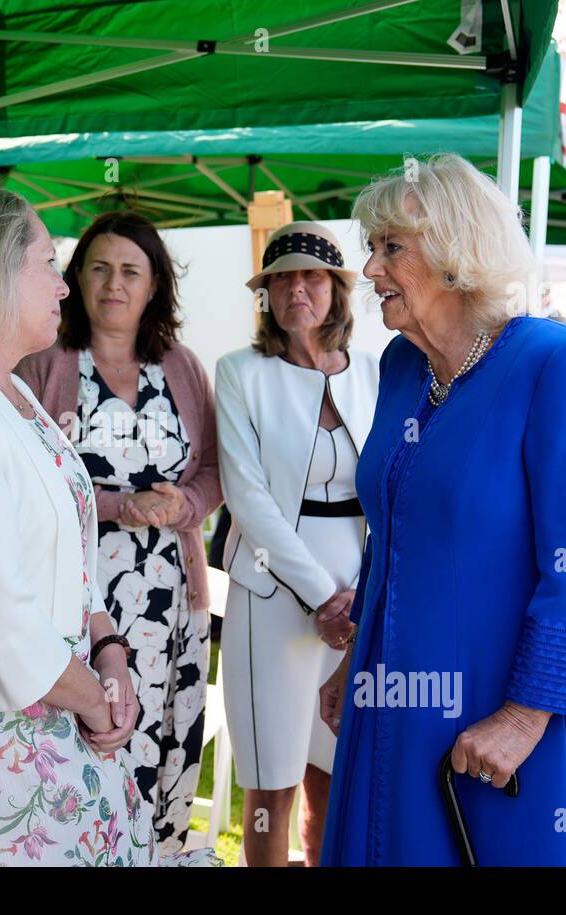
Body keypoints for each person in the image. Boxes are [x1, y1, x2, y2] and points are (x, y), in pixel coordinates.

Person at [319, 154, 566, 866]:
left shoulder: (556, 361)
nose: (371, 270)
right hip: (394, 689)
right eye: (371, 249)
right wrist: (357, 657)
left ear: (453, 255)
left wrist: (522, 716)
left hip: (497, 699)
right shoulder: (403, 366)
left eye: (391, 249)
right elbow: (394, 528)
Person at [0, 189, 219, 867]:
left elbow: (69, 549)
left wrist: (109, 644)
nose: (65, 285)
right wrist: (95, 698)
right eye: (47, 263)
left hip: (47, 701)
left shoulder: (10, 390)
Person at [15, 211, 222, 856]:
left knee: (164, 743)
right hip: (79, 596)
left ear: (155, 284)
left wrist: (182, 506)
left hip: (172, 598)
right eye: (99, 268)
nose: (114, 284)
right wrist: (119, 507)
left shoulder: (181, 367)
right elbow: (26, 480)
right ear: (75, 278)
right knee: (91, 739)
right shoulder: (45, 364)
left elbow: (214, 469)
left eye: (131, 270)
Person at [214, 221, 379, 866]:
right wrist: (322, 597)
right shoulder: (240, 373)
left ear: (337, 290)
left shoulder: (375, 371)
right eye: (280, 279)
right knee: (270, 780)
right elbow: (249, 500)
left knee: (335, 772)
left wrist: (358, 599)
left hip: (361, 591)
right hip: (271, 593)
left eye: (311, 276)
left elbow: (394, 488)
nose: (295, 289)